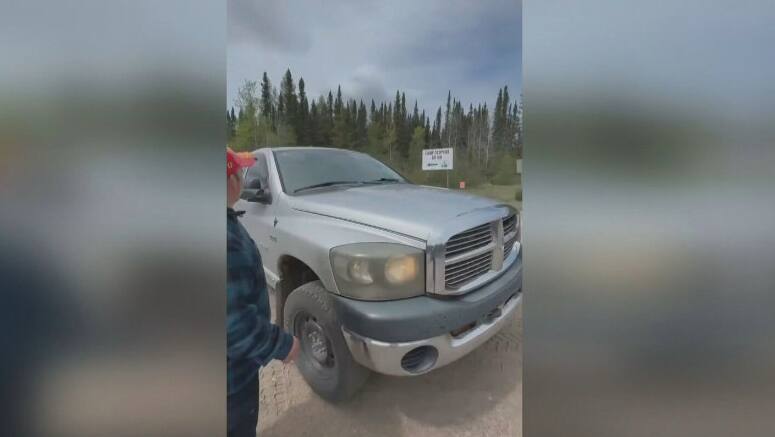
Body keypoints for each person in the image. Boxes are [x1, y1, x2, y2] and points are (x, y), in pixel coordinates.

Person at [226, 147, 300, 437]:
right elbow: (232, 326)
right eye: (239, 172)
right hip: (231, 383)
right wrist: (282, 345)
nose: (243, 179)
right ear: (229, 181)